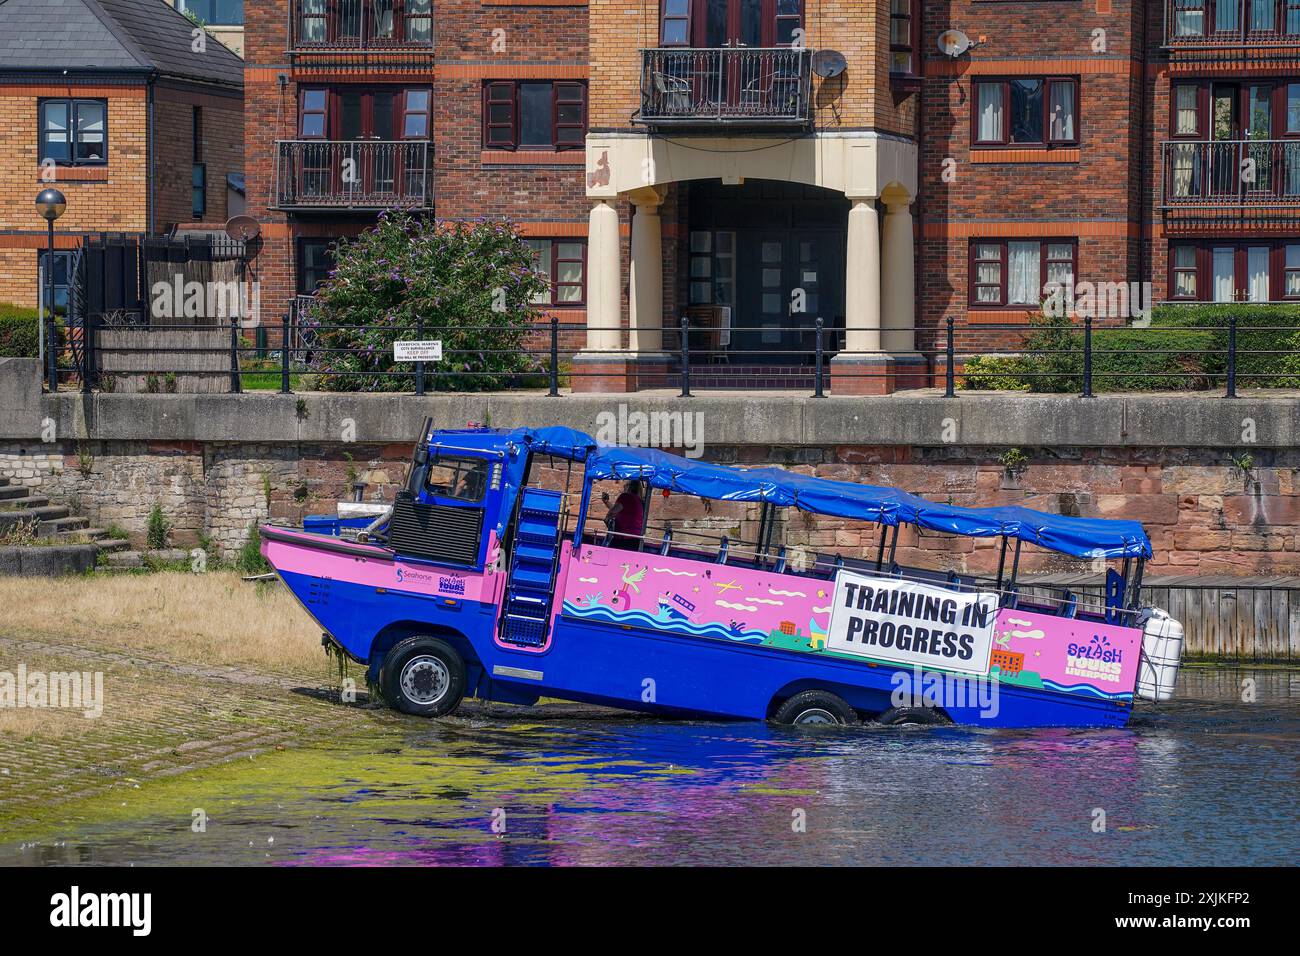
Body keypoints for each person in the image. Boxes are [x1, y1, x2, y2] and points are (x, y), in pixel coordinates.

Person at [601, 480, 645, 550]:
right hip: (635, 541)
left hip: (624, 540)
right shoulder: (638, 499)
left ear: (629, 486)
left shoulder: (626, 496)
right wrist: (606, 502)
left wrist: (607, 518)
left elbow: (613, 512)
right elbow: (619, 510)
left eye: (625, 485)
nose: (623, 486)